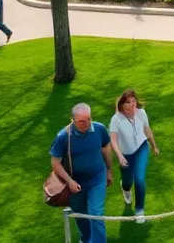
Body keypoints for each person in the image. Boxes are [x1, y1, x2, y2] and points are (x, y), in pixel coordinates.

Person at [50, 104, 113, 243]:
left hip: (97, 177)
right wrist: (70, 181)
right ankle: (85, 239)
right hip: (75, 182)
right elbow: (55, 163)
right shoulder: (63, 136)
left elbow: (105, 147)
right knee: (80, 215)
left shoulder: (99, 129)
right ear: (73, 120)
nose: (87, 124)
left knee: (96, 213)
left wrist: (109, 169)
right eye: (82, 121)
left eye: (89, 119)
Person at [109, 90, 160, 224]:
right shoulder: (116, 119)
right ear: (122, 104)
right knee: (127, 181)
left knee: (139, 180)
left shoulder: (141, 113)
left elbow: (147, 129)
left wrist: (154, 146)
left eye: (133, 102)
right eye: (128, 102)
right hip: (125, 154)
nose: (132, 105)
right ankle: (125, 189)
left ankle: (139, 211)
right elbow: (113, 140)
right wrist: (119, 156)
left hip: (142, 148)